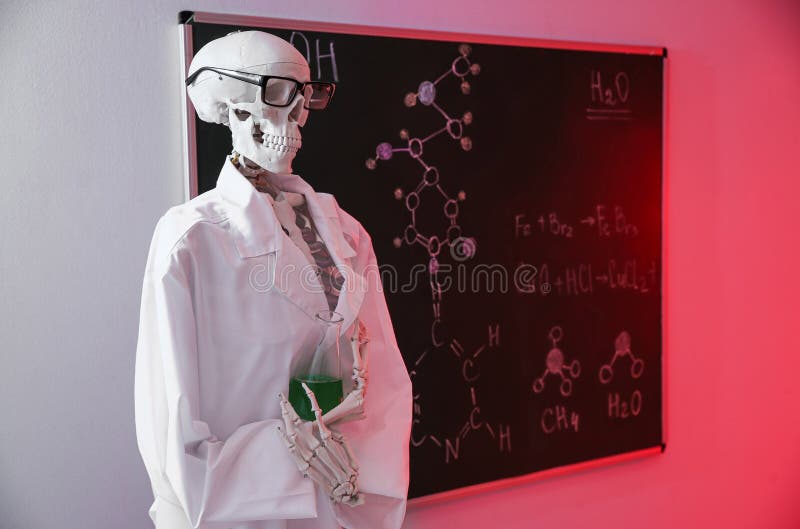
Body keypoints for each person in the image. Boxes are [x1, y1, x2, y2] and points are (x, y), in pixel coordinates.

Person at [134, 30, 412, 529]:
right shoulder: (192, 239)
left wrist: (350, 472)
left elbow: (385, 385)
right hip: (238, 516)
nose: (297, 114)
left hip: (340, 508)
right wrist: (294, 455)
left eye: (305, 97)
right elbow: (170, 431)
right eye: (277, 93)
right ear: (234, 110)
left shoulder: (346, 233)